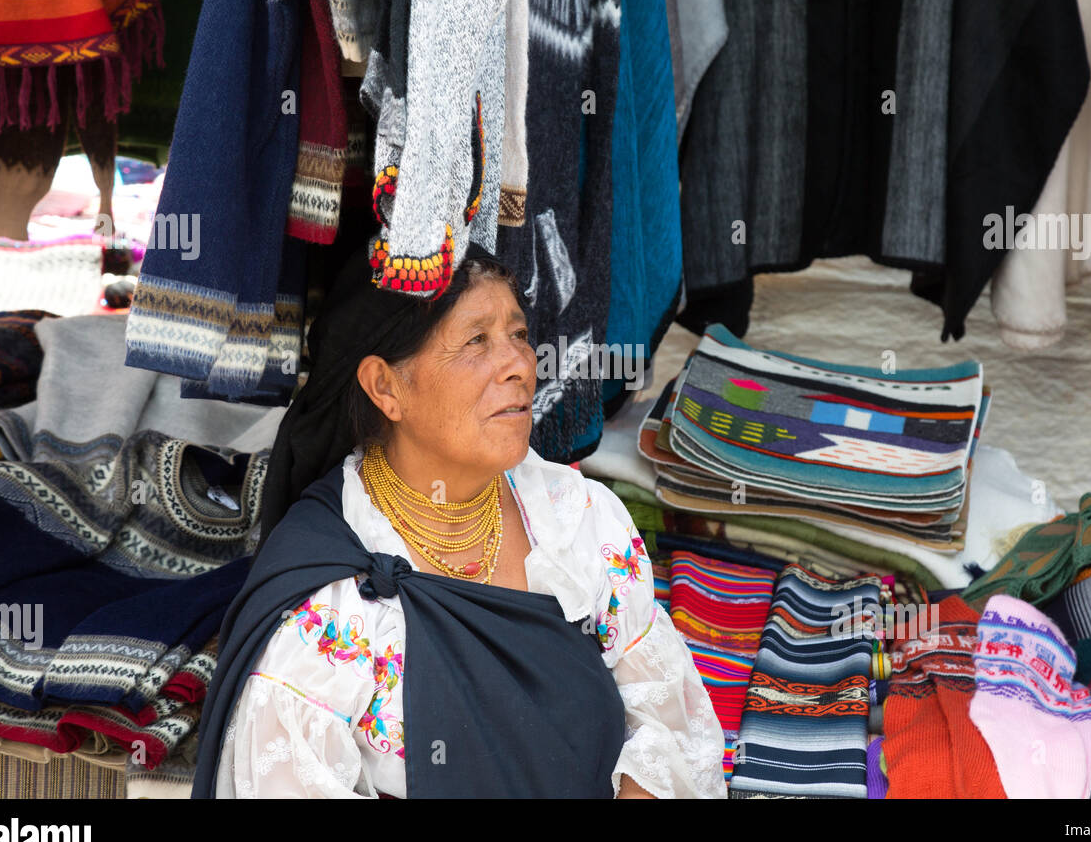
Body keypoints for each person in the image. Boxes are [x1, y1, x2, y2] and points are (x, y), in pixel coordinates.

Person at [191, 251, 726, 798]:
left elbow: (667, 716)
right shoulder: (335, 601)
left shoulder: (578, 519)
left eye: (518, 334)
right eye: (476, 341)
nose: (520, 363)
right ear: (385, 387)